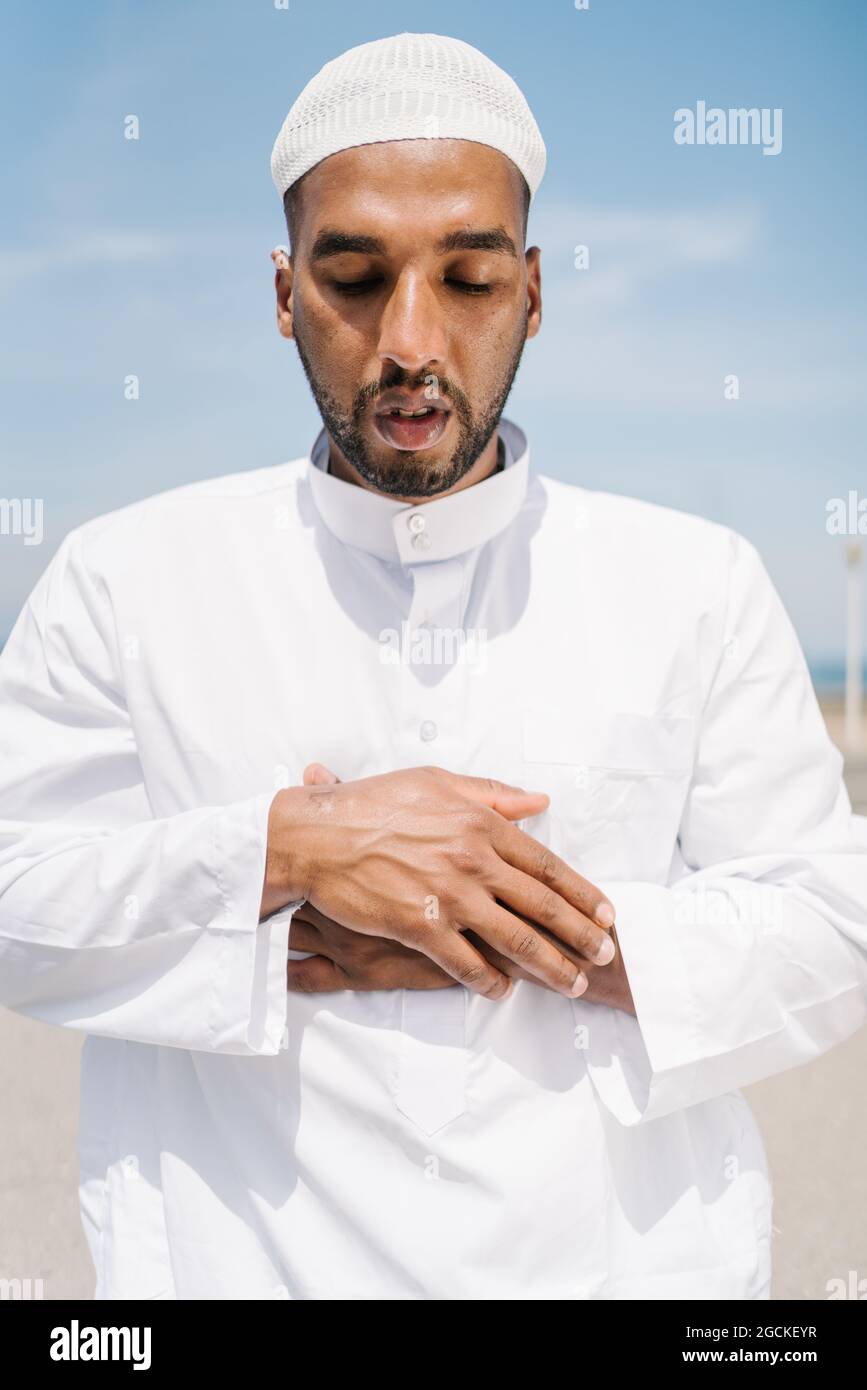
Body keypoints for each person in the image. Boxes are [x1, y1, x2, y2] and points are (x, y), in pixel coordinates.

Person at [1, 31, 865, 1301]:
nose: (411, 340)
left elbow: (833, 924)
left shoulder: (695, 580)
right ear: (286, 293)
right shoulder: (126, 578)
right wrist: (290, 853)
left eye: (466, 279)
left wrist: (517, 924)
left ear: (529, 292)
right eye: (356, 277)